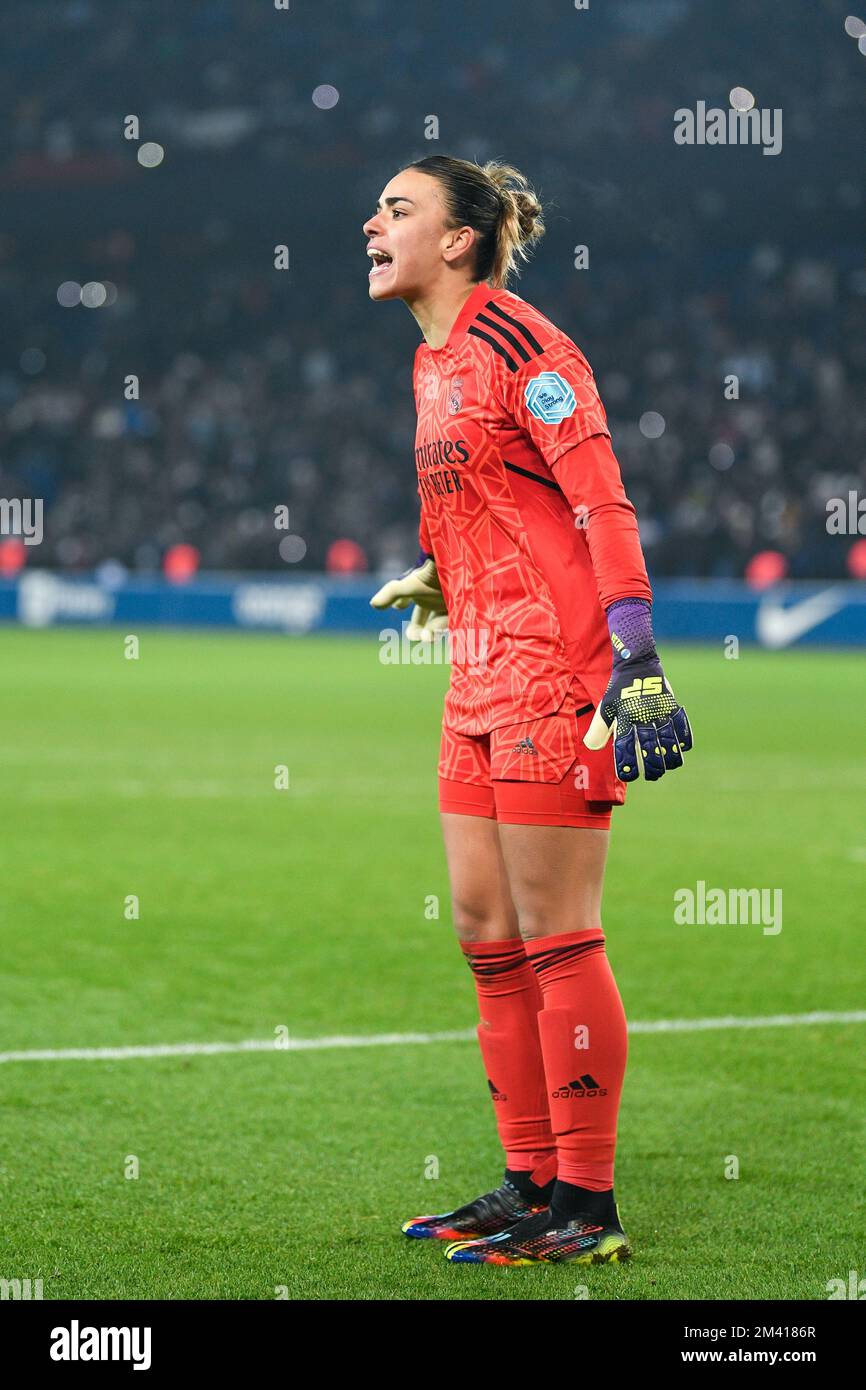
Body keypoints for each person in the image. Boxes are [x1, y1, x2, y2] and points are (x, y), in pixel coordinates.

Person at [366, 155, 692, 1266]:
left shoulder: (524, 344)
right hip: (474, 671)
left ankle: (587, 1206)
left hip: (557, 673)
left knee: (558, 937)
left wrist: (634, 651)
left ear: (458, 239)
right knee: (484, 934)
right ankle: (526, 1179)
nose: (372, 224)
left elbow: (597, 498)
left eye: (397, 210)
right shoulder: (430, 361)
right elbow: (495, 497)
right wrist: (439, 574)